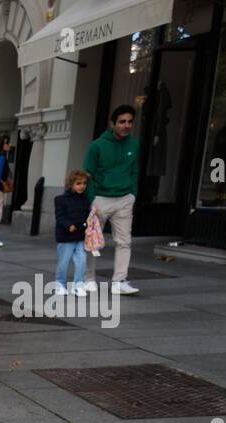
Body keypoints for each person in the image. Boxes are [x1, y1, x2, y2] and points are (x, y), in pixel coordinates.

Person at [84, 105, 140, 295]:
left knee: (124, 241)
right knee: (93, 241)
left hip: (124, 199)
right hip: (100, 199)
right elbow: (87, 173)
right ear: (112, 123)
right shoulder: (97, 145)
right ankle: (88, 278)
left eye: (130, 122)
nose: (126, 125)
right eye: (122, 122)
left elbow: (134, 171)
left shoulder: (134, 144)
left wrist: (132, 194)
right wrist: (91, 200)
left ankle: (119, 281)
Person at [53, 169, 93, 296]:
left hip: (80, 236)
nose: (82, 186)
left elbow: (87, 217)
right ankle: (60, 283)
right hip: (66, 236)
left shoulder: (86, 200)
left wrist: (87, 225)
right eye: (78, 183)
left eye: (84, 183)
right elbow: (60, 216)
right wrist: (68, 225)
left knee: (82, 261)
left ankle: (78, 284)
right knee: (63, 261)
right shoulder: (60, 199)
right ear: (71, 184)